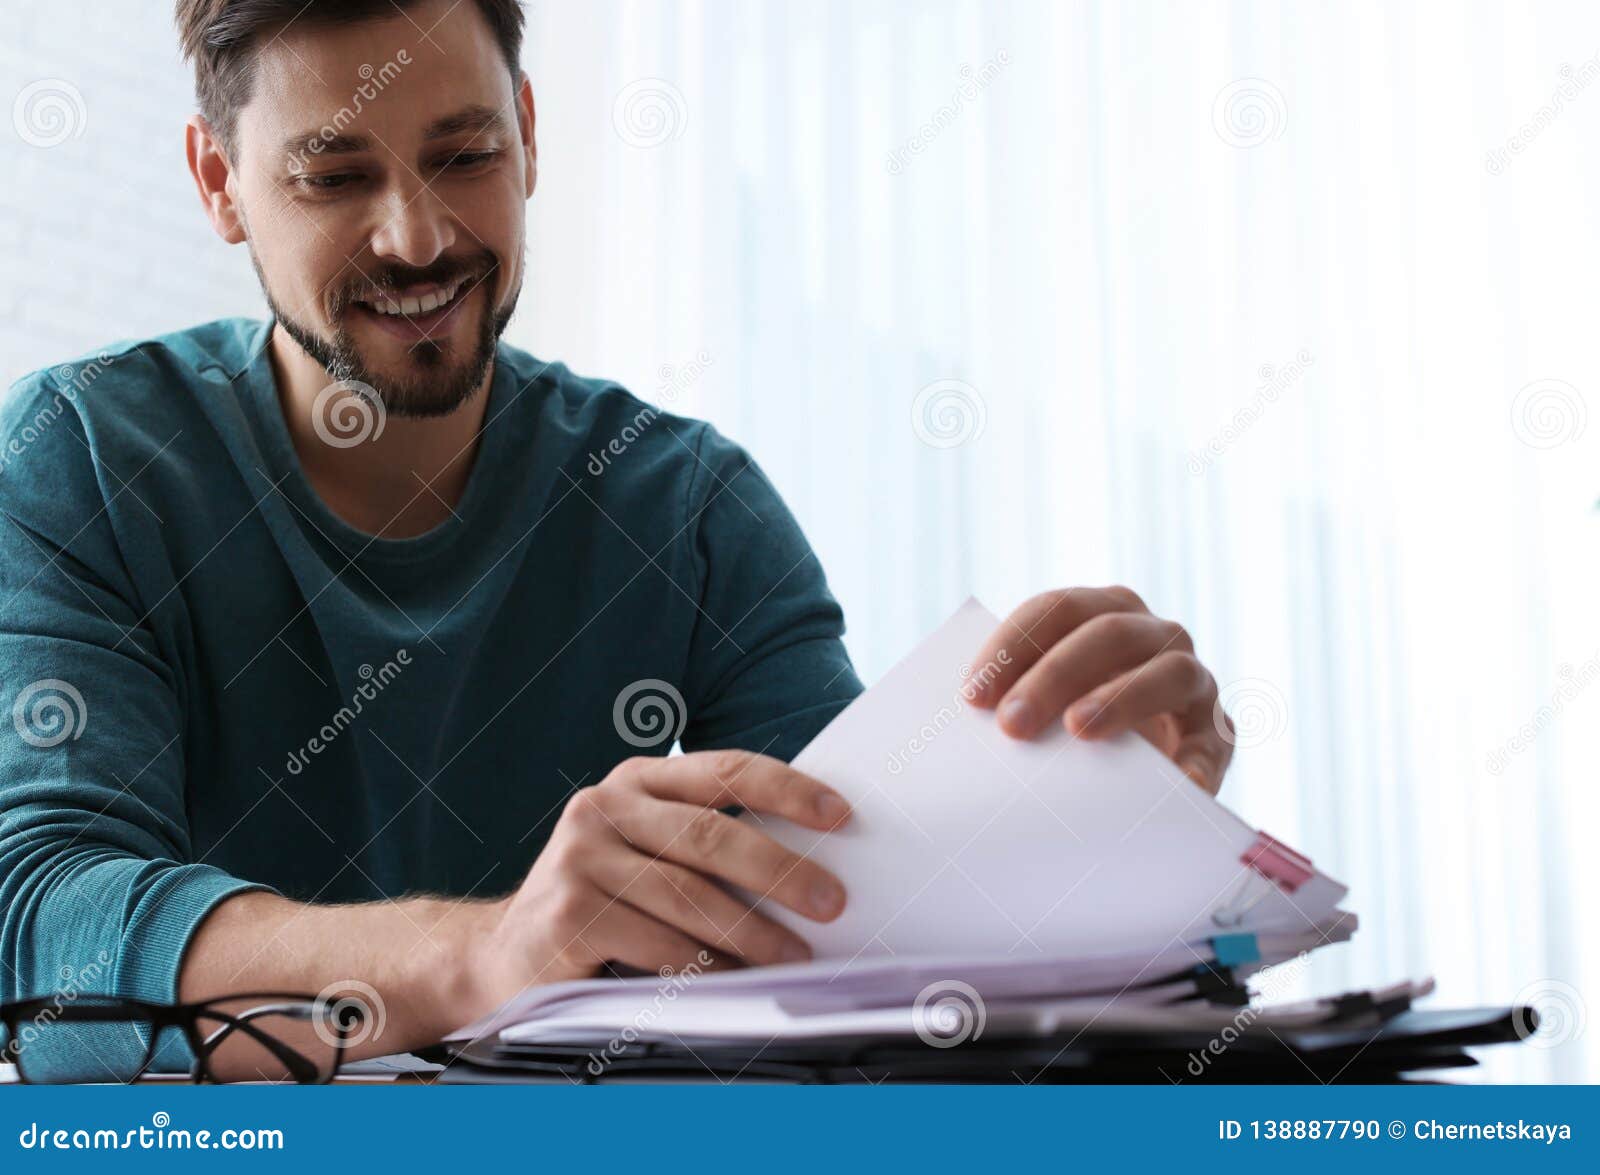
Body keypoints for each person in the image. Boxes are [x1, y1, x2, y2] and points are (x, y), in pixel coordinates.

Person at [0, 0, 1235, 1066]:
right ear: (218, 182)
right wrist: (484, 951)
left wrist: (1101, 825)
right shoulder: (87, 461)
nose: (418, 239)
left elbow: (862, 928)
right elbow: (46, 929)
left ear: (529, 136)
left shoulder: (689, 509)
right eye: (334, 176)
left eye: (465, 153)